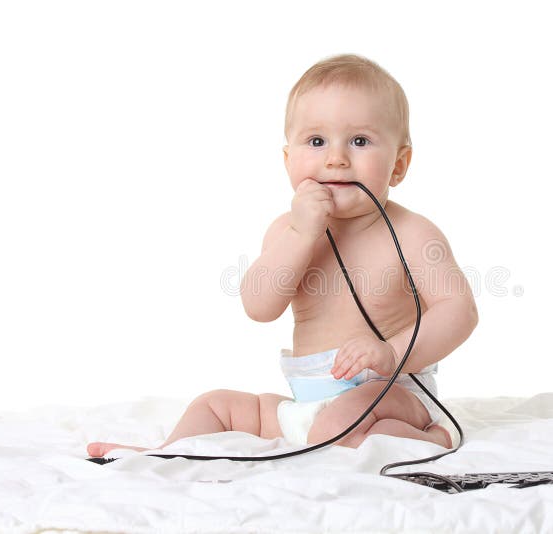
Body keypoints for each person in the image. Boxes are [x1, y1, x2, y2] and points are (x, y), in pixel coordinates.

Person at [87, 53, 478, 458]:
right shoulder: (287, 231)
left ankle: (433, 436)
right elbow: (259, 307)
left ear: (399, 165)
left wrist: (392, 352)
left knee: (341, 423)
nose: (336, 158)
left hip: (391, 394)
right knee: (214, 405)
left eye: (359, 141)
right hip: (307, 404)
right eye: (316, 141)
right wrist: (301, 233)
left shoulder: (413, 234)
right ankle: (165, 454)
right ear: (289, 160)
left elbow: (459, 310)